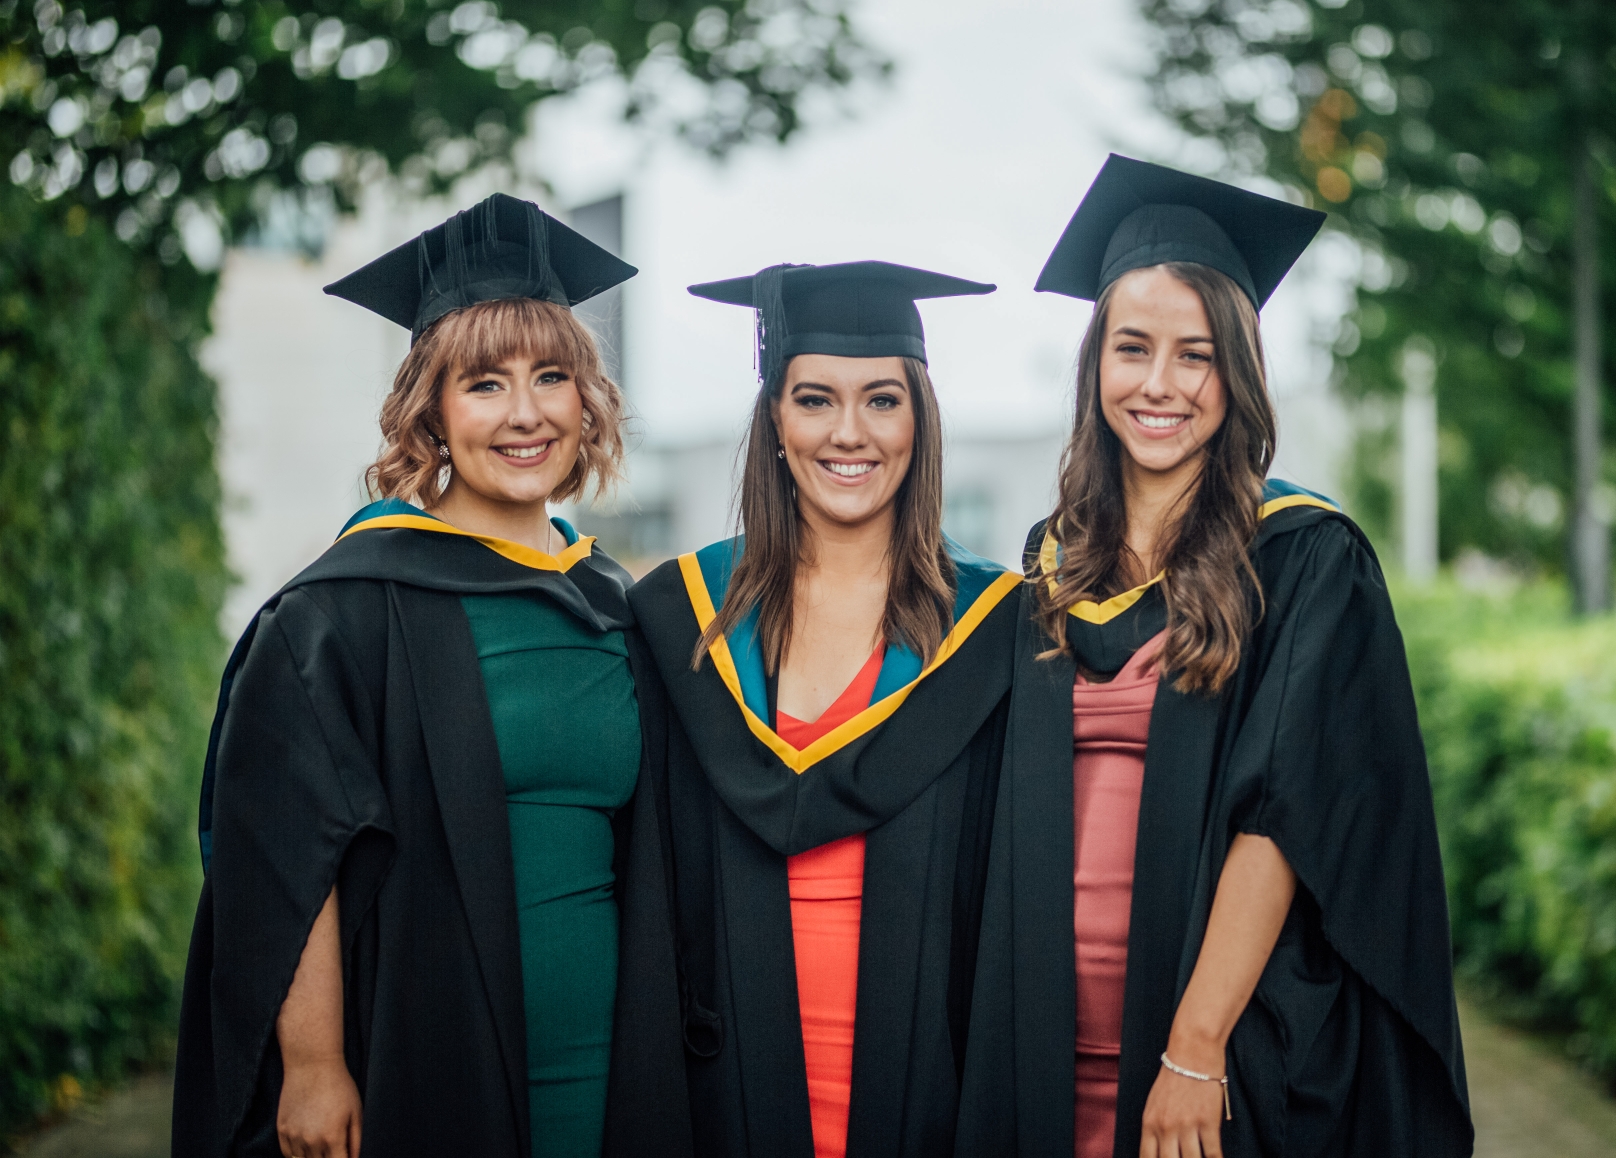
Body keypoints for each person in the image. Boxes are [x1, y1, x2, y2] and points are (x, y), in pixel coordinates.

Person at [957, 156, 1474, 1158]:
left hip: (1207, 1053)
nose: (1160, 384)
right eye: (1133, 346)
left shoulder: (1303, 556)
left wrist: (1193, 1046)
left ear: (1238, 373)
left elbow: (1288, 813)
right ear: (1094, 363)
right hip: (1044, 1041)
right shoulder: (1048, 559)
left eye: (1195, 354)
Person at [173, 194, 692, 1158]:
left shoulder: (616, 607)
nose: (526, 413)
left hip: (610, 1063)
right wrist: (316, 1065)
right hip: (420, 1054)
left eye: (551, 377)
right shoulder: (344, 613)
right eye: (484, 385)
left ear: (589, 401)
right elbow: (284, 857)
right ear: (433, 411)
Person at [627, 261, 1022, 1158]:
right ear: (775, 421)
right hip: (723, 1075)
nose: (850, 433)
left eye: (883, 400)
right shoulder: (680, 617)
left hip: (928, 1080)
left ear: (920, 421)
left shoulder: (999, 629)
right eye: (815, 399)